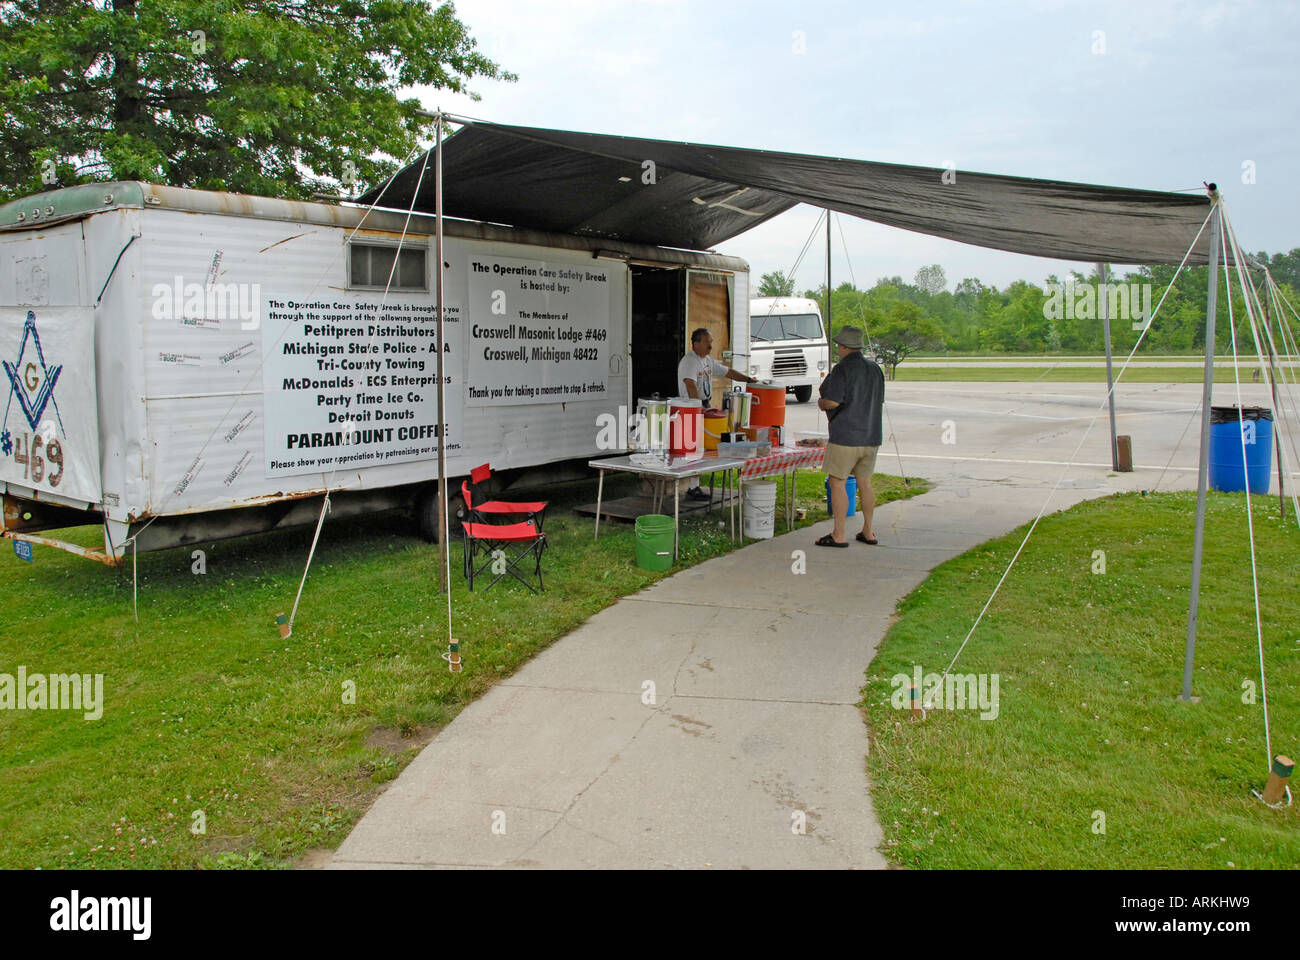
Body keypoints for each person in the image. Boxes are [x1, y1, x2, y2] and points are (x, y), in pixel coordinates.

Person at [814, 325, 884, 547]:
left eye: (838, 345)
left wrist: (822, 403)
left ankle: (839, 534)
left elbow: (833, 401)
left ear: (843, 346)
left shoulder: (842, 368)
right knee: (865, 482)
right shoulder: (875, 369)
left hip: (845, 436)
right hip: (871, 435)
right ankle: (868, 531)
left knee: (837, 482)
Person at [678, 328, 755, 501]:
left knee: (704, 446)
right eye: (707, 343)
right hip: (691, 407)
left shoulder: (708, 361)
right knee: (694, 447)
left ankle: (695, 484)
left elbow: (727, 372)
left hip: (703, 405)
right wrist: (699, 407)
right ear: (696, 344)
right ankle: (692, 486)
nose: (711, 346)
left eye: (711, 342)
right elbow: (690, 384)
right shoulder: (689, 361)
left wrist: (747, 379)